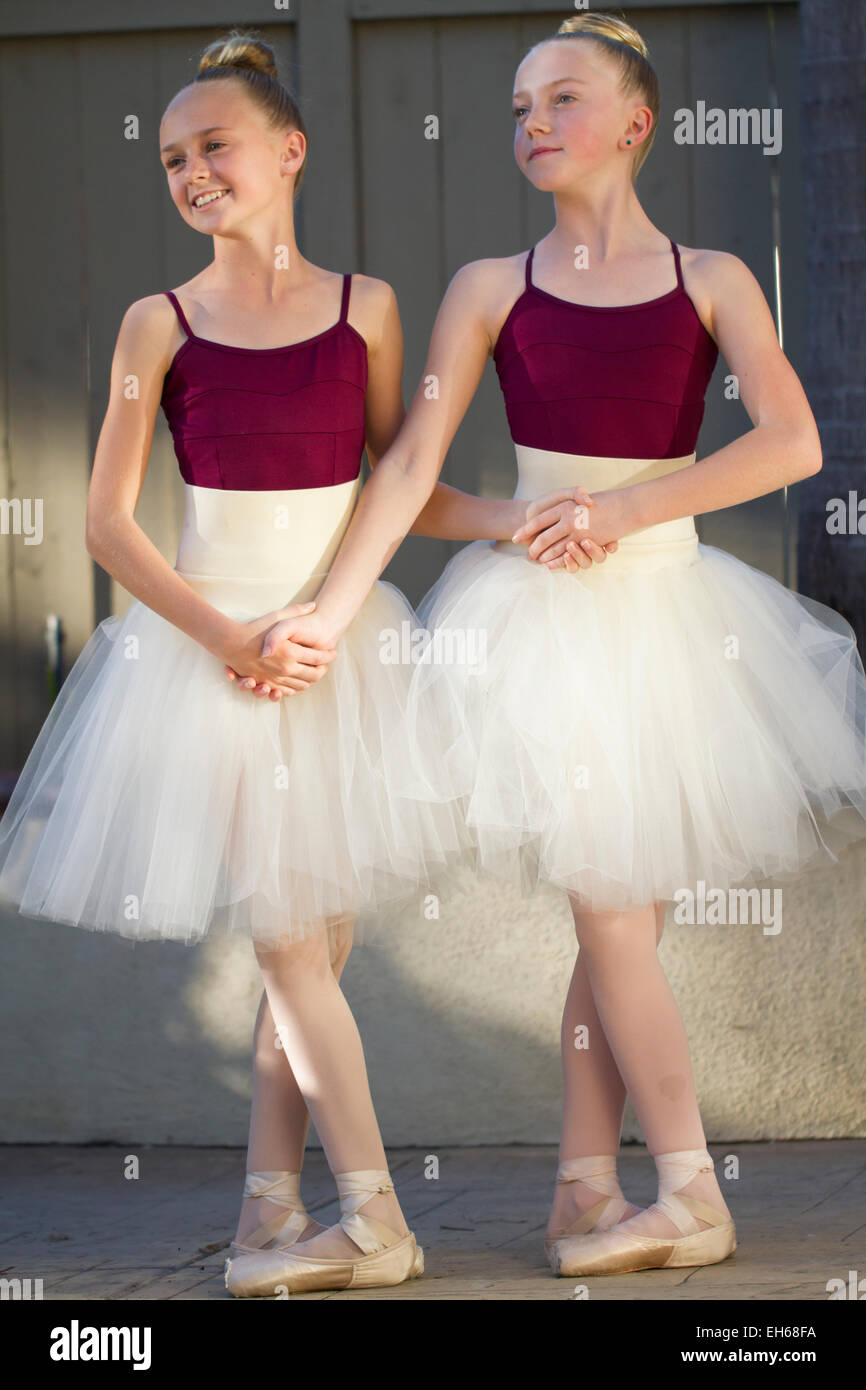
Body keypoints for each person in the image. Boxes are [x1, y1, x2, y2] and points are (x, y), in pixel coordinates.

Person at [274, 11, 866, 1279]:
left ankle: (689, 1194)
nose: (531, 123)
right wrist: (329, 610)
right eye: (516, 108)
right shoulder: (493, 288)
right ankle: (587, 1190)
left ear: (635, 122)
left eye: (560, 100)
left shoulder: (711, 278)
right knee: (612, 925)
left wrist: (623, 508)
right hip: (540, 625)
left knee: (614, 925)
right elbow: (412, 471)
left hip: (668, 615)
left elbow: (790, 442)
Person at [0, 29, 474, 1297]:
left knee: (307, 948)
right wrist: (227, 639)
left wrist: (514, 529)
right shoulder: (154, 326)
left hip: (340, 646)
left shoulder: (364, 306)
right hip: (209, 657)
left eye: (215, 144)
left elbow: (400, 483)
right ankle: (377, 1216)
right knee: (280, 940)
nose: (192, 168)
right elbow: (107, 521)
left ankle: (270, 1206)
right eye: (171, 156)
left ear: (288, 151)